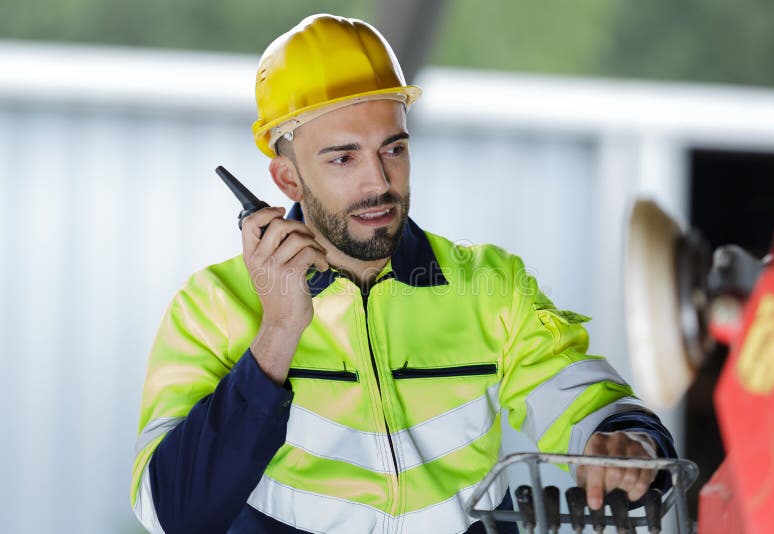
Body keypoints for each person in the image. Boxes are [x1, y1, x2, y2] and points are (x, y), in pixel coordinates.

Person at [131, 13, 676, 534]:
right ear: (287, 180)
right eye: (343, 158)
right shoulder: (214, 304)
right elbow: (172, 513)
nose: (378, 182)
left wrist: (627, 444)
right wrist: (277, 333)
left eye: (393, 148)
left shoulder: (488, 287)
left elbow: (591, 404)